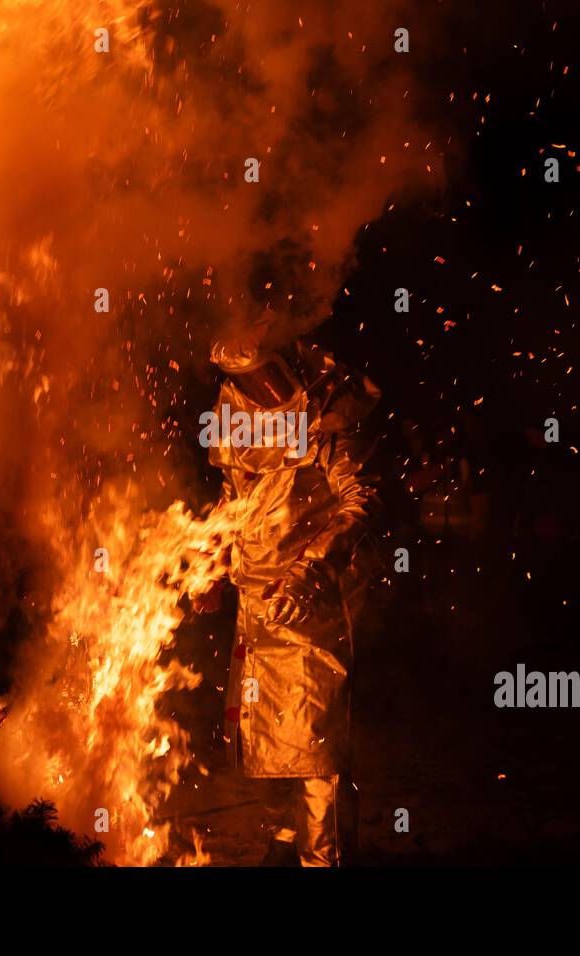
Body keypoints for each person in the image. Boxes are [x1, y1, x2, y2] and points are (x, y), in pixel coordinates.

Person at [191, 326, 382, 866]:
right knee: (257, 740)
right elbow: (233, 501)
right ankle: (279, 846)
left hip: (313, 610)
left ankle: (323, 859)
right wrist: (214, 567)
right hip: (256, 610)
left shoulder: (331, 421)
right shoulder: (235, 420)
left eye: (265, 374)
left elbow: (359, 506)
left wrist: (310, 573)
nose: (258, 389)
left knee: (314, 747)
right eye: (245, 380)